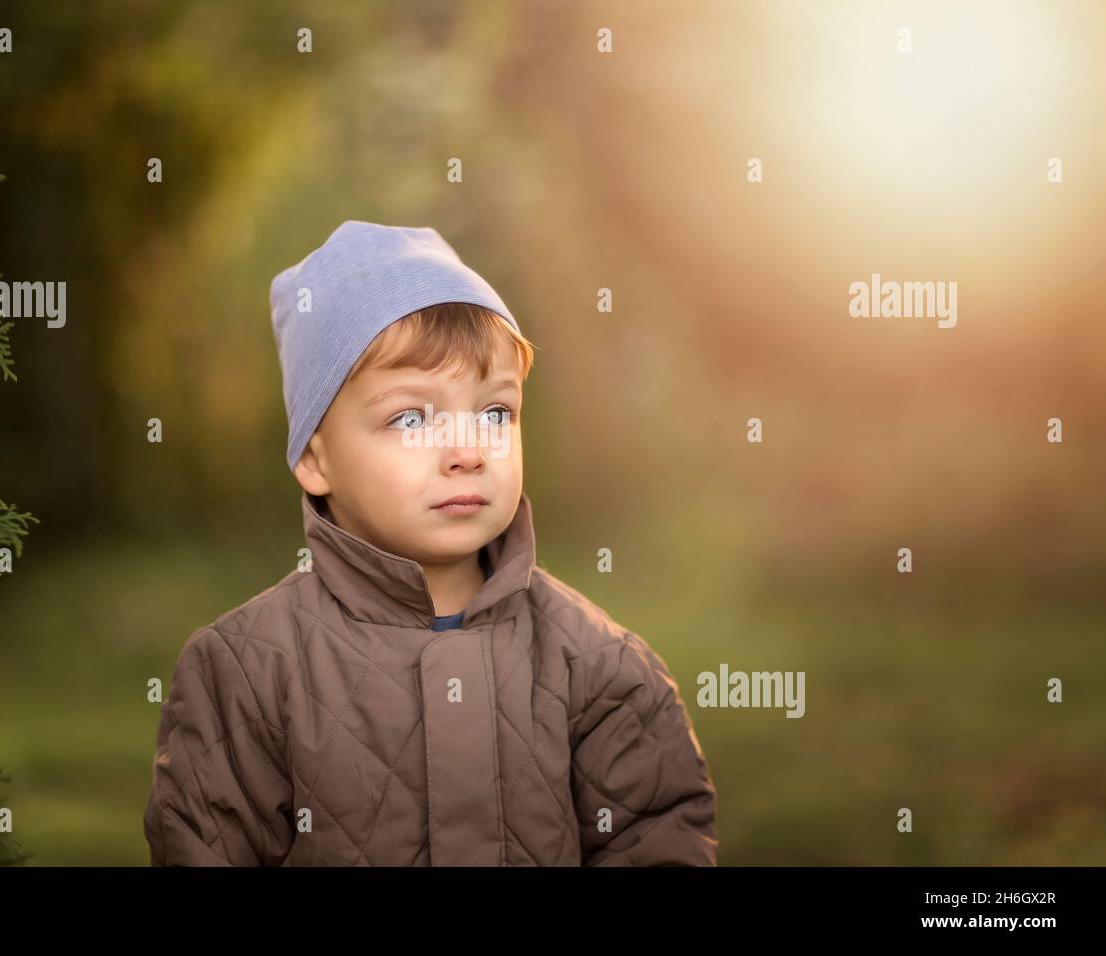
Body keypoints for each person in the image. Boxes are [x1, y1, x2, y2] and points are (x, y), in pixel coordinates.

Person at [143, 219, 717, 866]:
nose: (467, 451)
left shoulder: (599, 665)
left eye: (496, 412)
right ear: (314, 458)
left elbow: (658, 837)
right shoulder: (245, 673)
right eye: (410, 418)